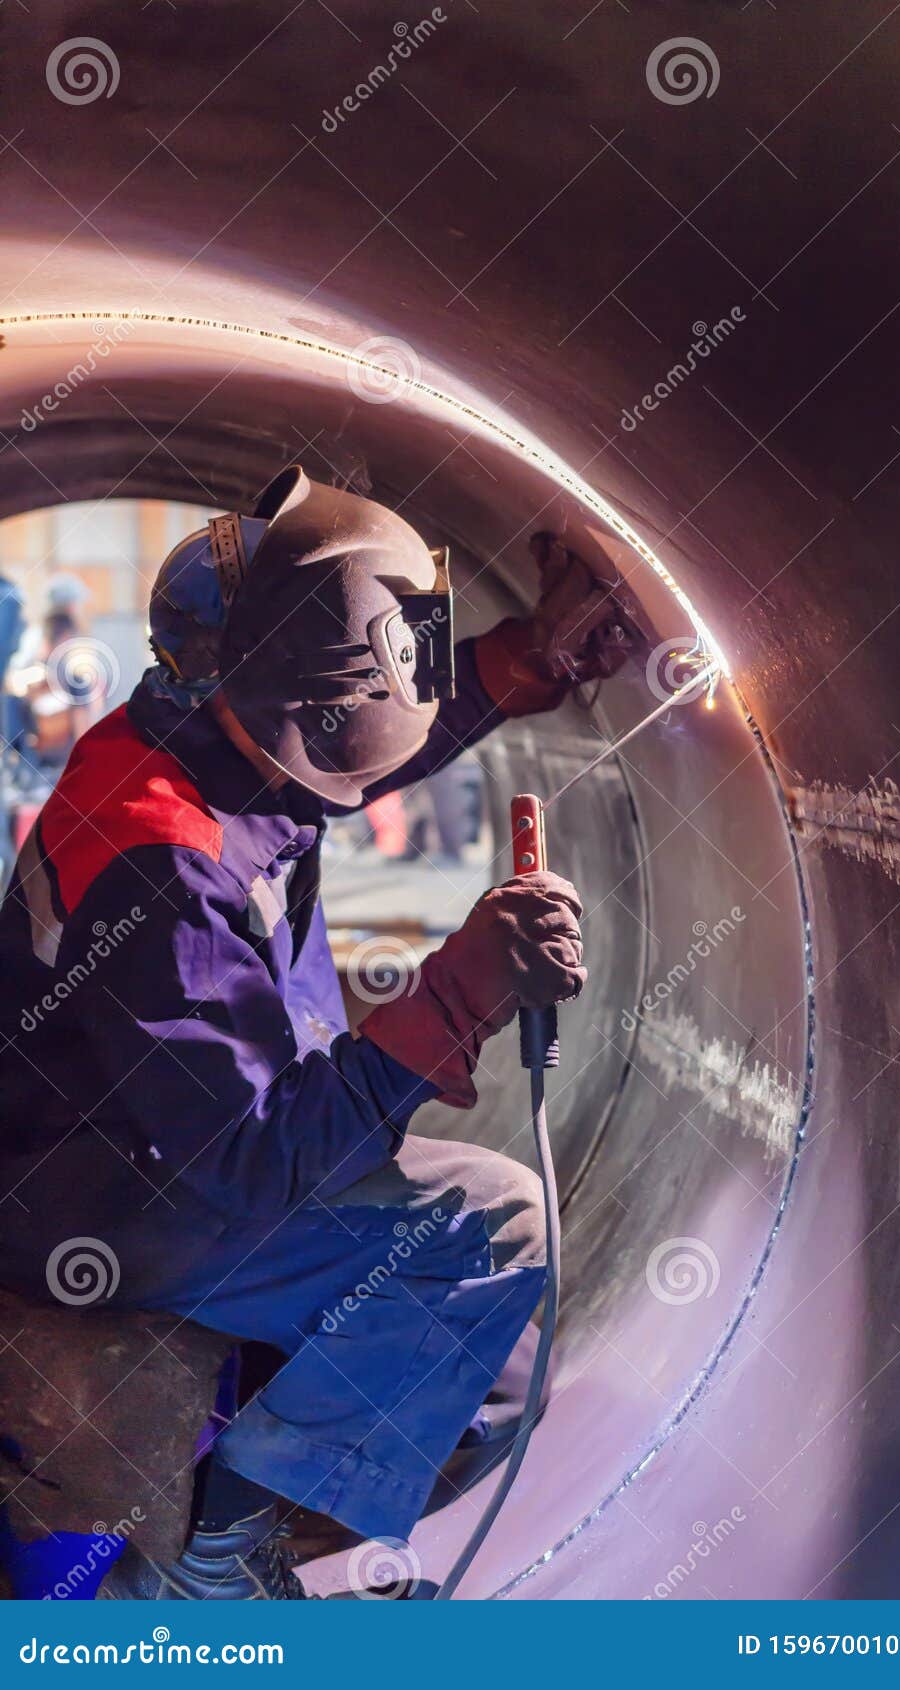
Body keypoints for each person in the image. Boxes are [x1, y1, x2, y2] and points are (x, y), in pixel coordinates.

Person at [0, 467, 631, 1599]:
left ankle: (217, 1547)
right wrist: (453, 996)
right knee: (492, 1225)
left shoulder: (198, 733)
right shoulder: (161, 864)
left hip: (139, 1153)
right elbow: (243, 1163)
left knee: (478, 1350)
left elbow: (331, 758)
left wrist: (514, 663)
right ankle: (216, 1565)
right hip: (91, 1199)